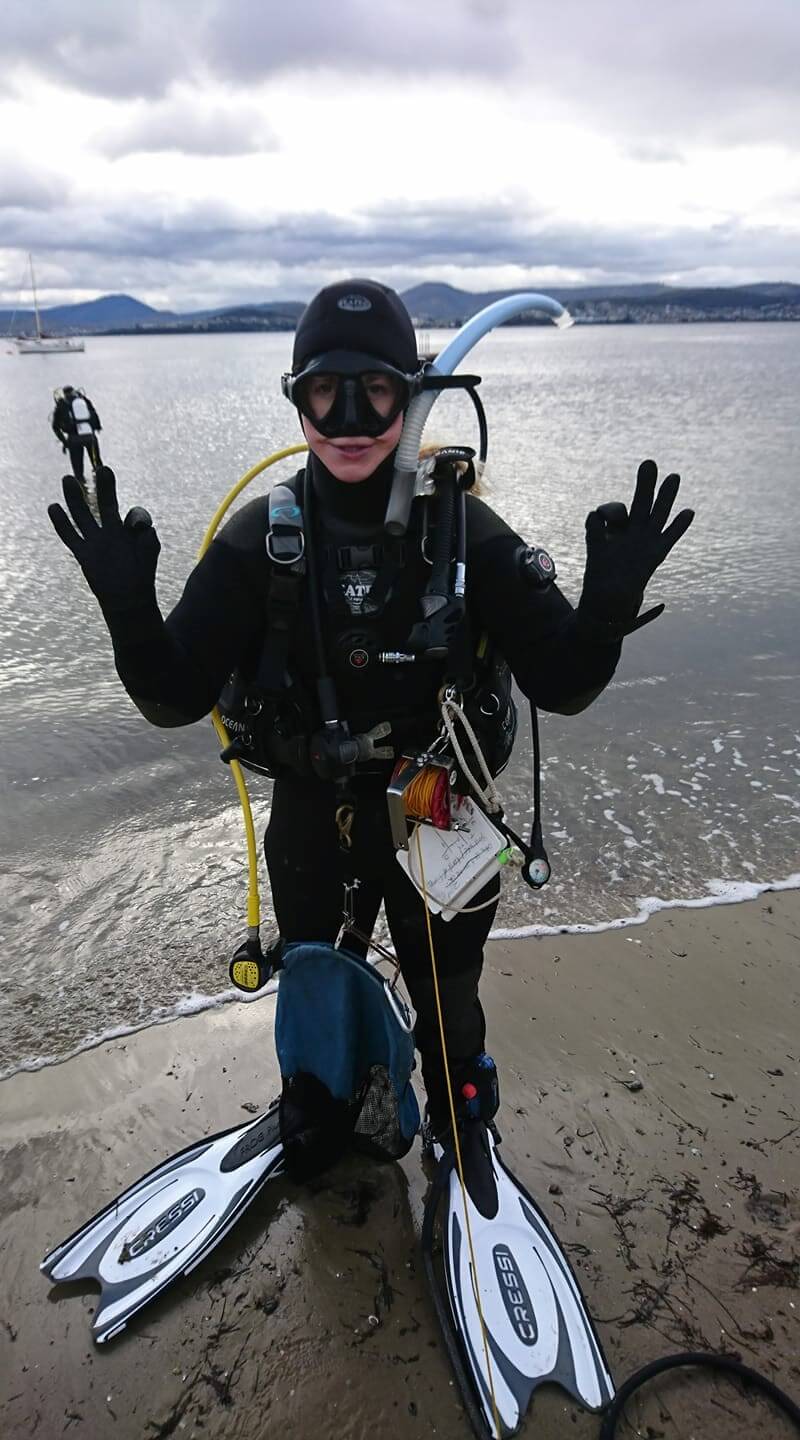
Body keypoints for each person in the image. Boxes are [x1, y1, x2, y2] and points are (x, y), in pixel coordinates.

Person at [47, 278, 694, 1143]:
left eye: (376, 390)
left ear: (411, 395)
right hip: (314, 811)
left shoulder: (465, 533)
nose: (350, 417)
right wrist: (127, 610)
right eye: (326, 389)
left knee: (447, 1000)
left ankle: (464, 1116)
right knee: (315, 976)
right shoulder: (258, 542)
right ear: (297, 398)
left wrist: (606, 611)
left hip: (440, 810)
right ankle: (321, 1098)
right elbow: (174, 701)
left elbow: (562, 686)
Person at [51, 385, 102, 484]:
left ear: (64, 394)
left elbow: (55, 427)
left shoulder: (61, 404)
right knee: (98, 467)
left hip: (74, 440)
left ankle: (82, 491)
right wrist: (95, 430)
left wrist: (65, 442)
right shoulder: (84, 400)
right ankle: (101, 488)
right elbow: (95, 417)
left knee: (78, 473)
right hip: (90, 437)